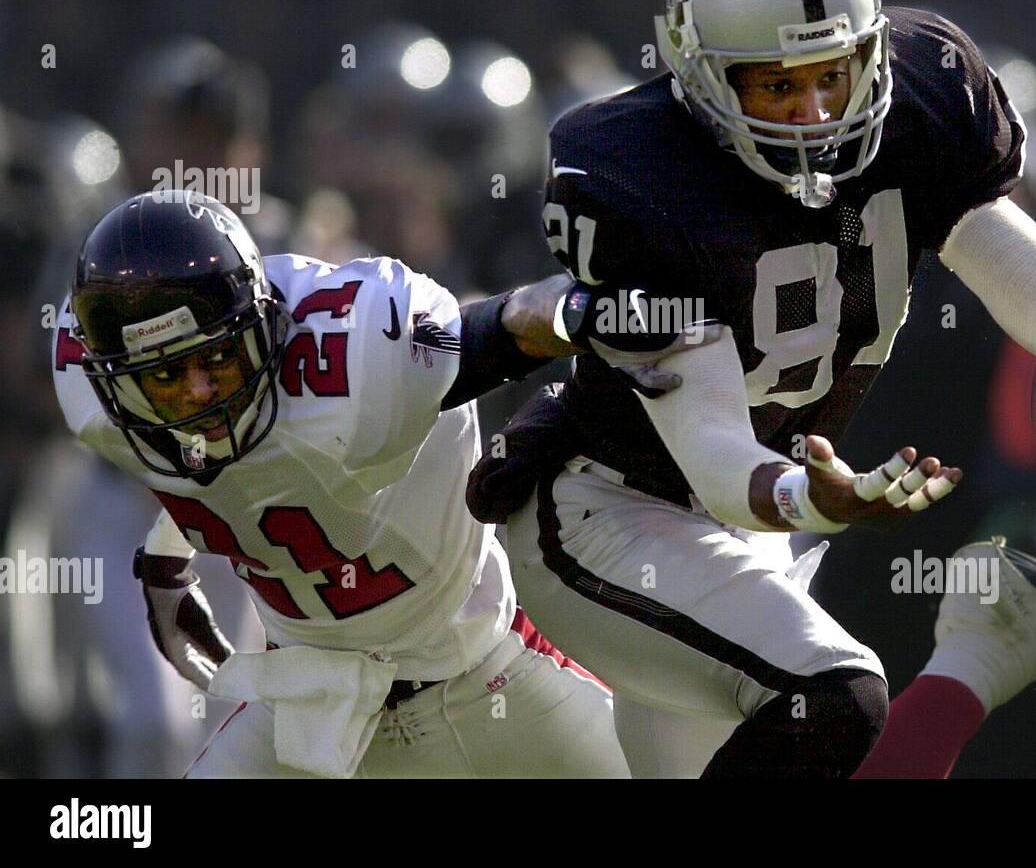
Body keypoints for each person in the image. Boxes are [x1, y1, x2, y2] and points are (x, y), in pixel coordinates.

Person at [466, 0, 1036, 778]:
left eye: (832, 76)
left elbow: (1031, 284)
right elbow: (714, 451)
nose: (813, 113)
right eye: (775, 87)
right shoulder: (637, 174)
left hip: (756, 515)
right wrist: (812, 499)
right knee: (833, 695)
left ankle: (983, 651)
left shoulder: (923, 98)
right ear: (699, 78)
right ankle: (985, 651)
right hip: (613, 511)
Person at [51, 189, 630, 778]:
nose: (201, 392)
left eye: (219, 359)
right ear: (116, 387)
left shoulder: (357, 359)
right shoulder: (97, 405)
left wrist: (599, 310)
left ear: (266, 330)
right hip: (314, 709)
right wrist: (168, 548)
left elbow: (508, 324)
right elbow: (241, 478)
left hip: (489, 672)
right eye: (167, 375)